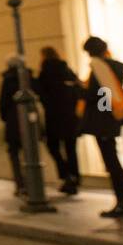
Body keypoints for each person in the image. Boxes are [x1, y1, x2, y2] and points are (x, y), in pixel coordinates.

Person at [78, 36, 123, 219]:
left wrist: (81, 91)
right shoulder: (113, 66)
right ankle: (122, 200)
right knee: (112, 161)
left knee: (111, 162)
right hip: (110, 121)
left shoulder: (100, 68)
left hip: (103, 124)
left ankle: (122, 202)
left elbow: (102, 96)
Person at [37, 45, 80, 194]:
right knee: (71, 148)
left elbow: (40, 92)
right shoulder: (66, 70)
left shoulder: (45, 71)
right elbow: (78, 88)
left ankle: (66, 175)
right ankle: (73, 177)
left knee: (53, 146)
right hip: (70, 116)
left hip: (54, 116)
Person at [0, 57, 27, 197]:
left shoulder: (8, 79)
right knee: (28, 153)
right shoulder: (27, 77)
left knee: (14, 154)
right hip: (26, 123)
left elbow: (2, 102)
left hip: (13, 122)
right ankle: (29, 183)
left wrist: (6, 117)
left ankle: (20, 184)